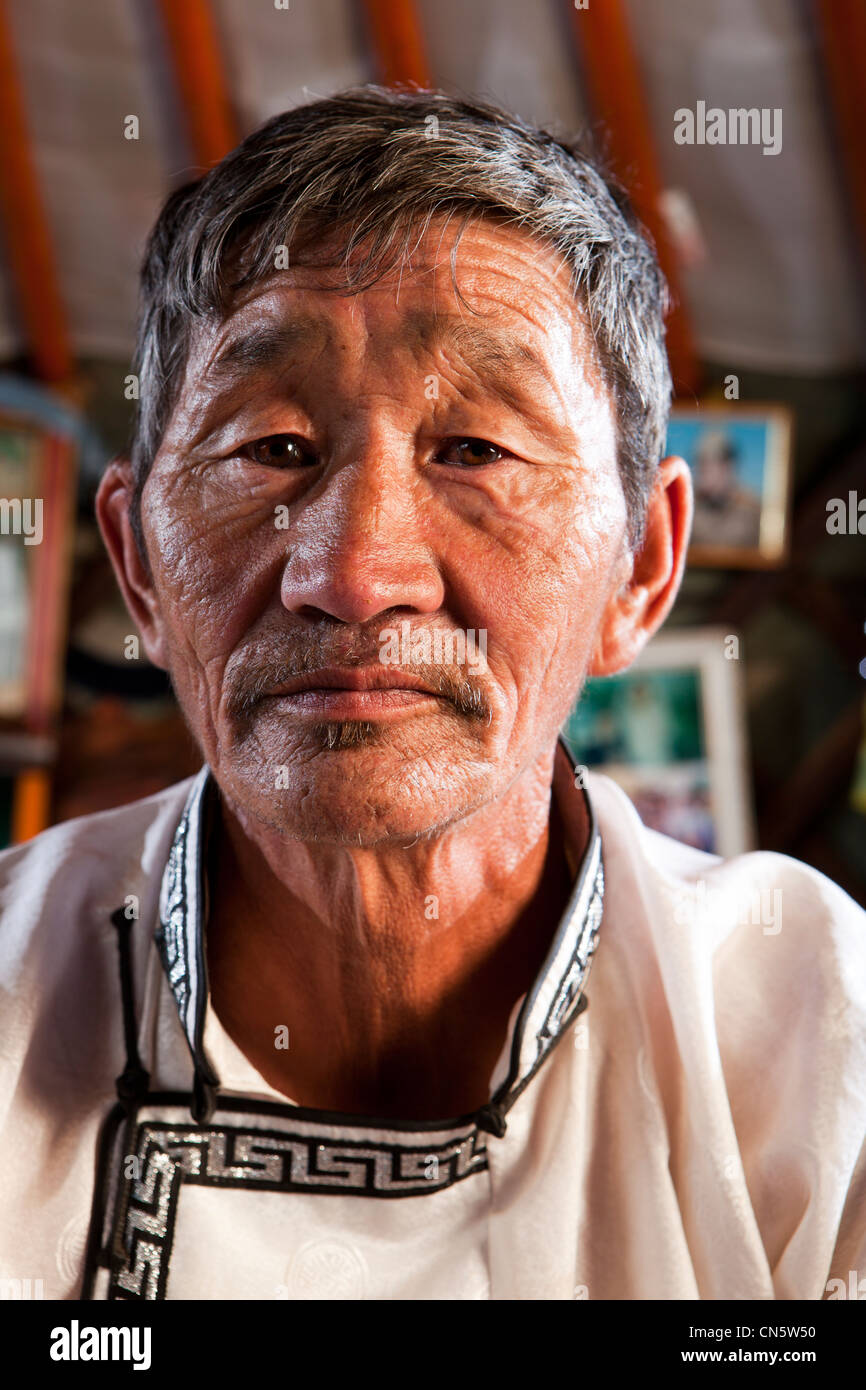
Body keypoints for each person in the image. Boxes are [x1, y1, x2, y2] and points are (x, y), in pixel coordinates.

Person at [0, 87, 863, 1302]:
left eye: (473, 450)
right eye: (272, 449)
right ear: (137, 563)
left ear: (643, 565)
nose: (351, 574)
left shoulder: (812, 1026)